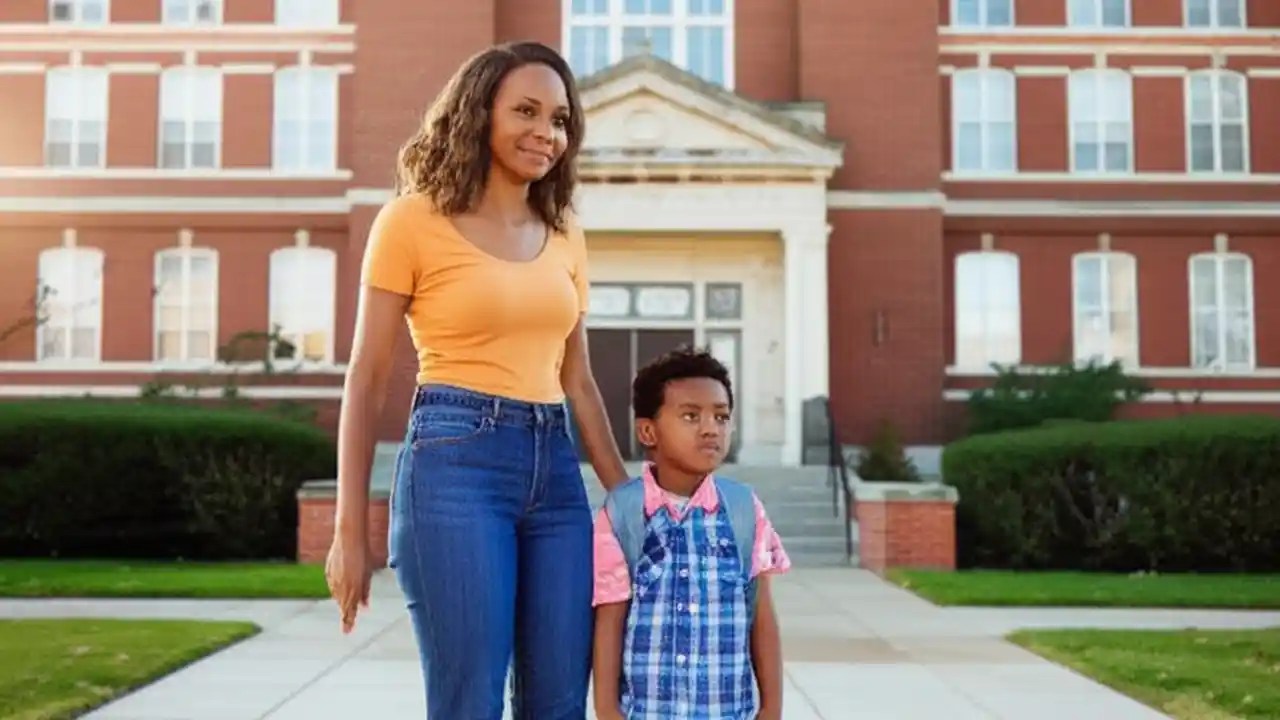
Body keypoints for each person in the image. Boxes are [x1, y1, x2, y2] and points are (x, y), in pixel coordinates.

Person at [323, 40, 629, 719]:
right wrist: (350, 532)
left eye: (559, 119)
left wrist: (629, 498)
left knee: (557, 703)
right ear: (477, 111)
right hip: (453, 465)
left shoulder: (564, 231)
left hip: (554, 475)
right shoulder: (412, 219)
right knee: (471, 703)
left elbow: (577, 380)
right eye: (525, 111)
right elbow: (366, 377)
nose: (545, 133)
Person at [591, 347, 791, 720]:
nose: (710, 428)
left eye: (721, 416)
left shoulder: (745, 511)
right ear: (648, 430)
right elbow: (610, 620)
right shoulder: (622, 514)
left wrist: (771, 708)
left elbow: (761, 616)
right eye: (690, 416)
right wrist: (607, 710)